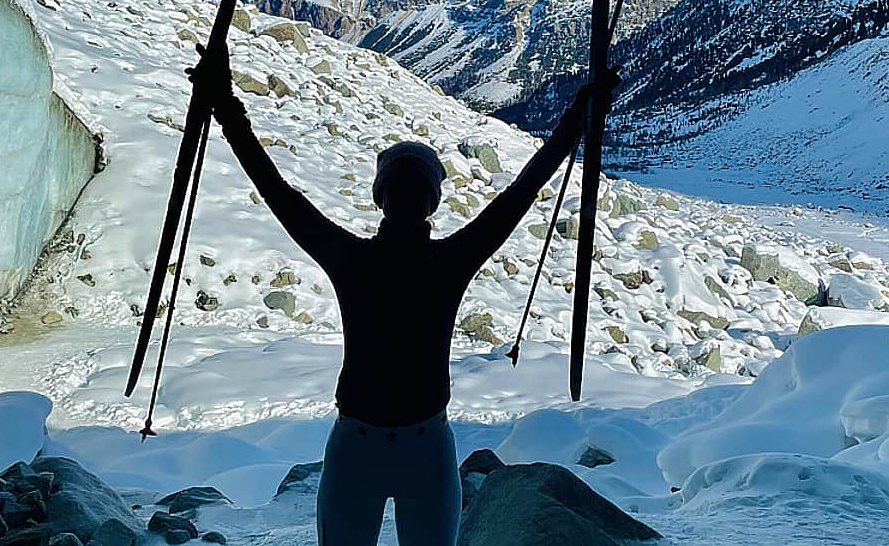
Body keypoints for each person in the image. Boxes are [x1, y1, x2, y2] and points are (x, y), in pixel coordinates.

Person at [187, 41, 617, 545]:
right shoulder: (449, 261)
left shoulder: (351, 258)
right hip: (426, 445)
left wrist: (227, 107)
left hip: (357, 445)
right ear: (434, 201)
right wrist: (576, 122)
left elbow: (277, 188)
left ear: (380, 196)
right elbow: (522, 191)